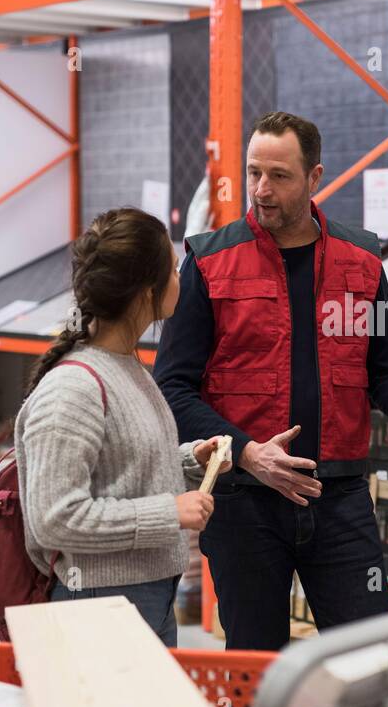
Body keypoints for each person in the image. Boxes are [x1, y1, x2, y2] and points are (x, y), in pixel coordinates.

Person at [155, 111, 388, 650]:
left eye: (279, 176)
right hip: (244, 502)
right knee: (255, 670)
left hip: (340, 498)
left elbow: (385, 367)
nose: (261, 189)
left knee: (370, 659)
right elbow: (172, 388)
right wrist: (246, 452)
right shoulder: (209, 262)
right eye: (254, 172)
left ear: (314, 177)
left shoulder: (362, 261)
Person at [15, 207, 230, 647]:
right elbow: (55, 518)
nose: (180, 280)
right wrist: (169, 512)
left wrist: (191, 461)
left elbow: (119, 468)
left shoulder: (126, 366)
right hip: (100, 601)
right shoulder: (73, 388)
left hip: (144, 596)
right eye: (172, 270)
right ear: (145, 292)